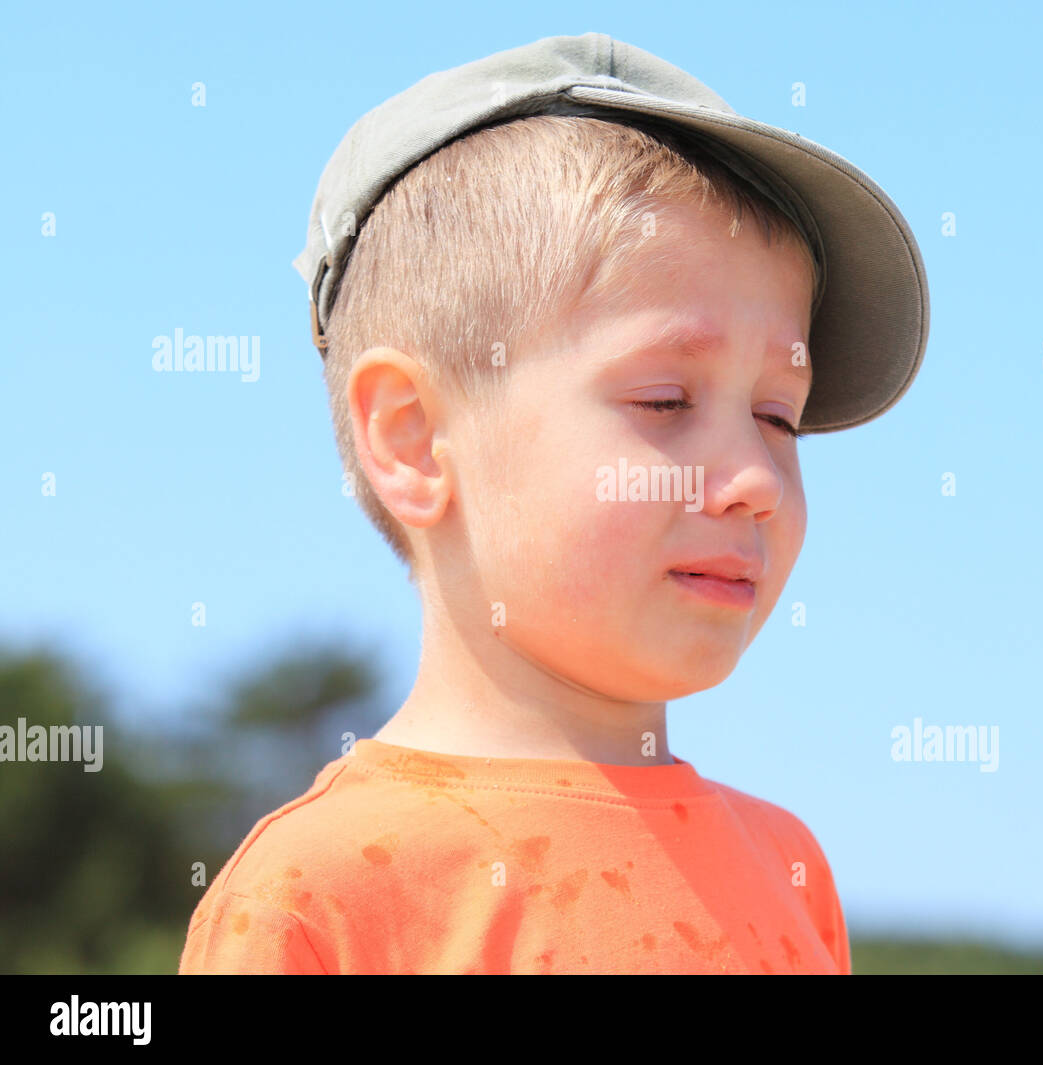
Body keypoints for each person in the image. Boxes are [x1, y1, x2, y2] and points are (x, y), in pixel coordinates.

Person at [178, 31, 929, 974]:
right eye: (665, 401)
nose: (756, 481)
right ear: (413, 438)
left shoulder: (791, 867)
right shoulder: (318, 898)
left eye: (781, 417)